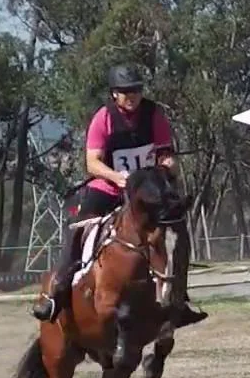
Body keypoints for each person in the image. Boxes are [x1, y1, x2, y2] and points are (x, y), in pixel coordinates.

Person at [32, 64, 207, 328]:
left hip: (146, 192)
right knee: (78, 232)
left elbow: (165, 152)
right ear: (114, 94)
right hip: (108, 189)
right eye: (125, 92)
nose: (132, 96)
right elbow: (92, 163)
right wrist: (117, 177)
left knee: (173, 231)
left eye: (136, 90)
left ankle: (178, 298)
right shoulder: (103, 119)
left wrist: (166, 165)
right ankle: (56, 292)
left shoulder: (154, 114)